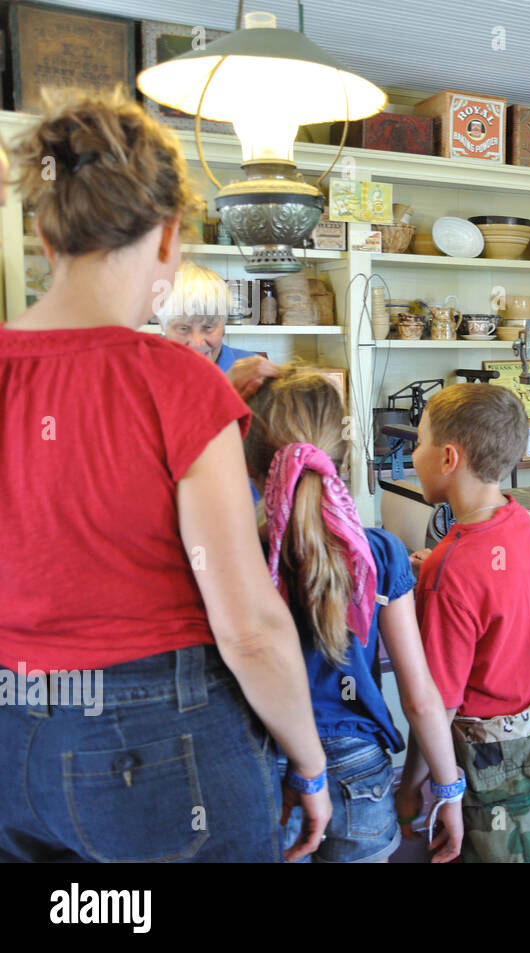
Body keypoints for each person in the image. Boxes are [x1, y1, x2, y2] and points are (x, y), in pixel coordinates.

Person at [0, 90, 329, 862]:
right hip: (156, 739)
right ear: (170, 234)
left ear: (45, 233)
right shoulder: (175, 383)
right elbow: (250, 629)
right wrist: (309, 764)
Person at [243, 367, 464, 863]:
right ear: (342, 460)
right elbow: (422, 698)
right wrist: (449, 791)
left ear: (251, 468)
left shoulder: (232, 556)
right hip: (359, 771)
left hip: (263, 766)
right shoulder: (382, 552)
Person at [398, 383, 530, 863]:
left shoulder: (450, 568)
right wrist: (445, 568)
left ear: (448, 457)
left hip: (492, 775)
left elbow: (434, 708)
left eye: (419, 440)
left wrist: (412, 787)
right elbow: (502, 589)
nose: (414, 452)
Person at [156, 261, 259, 372]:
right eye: (183, 329)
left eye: (208, 327)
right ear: (162, 324)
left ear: (223, 324)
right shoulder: (142, 371)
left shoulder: (252, 371)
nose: (197, 343)